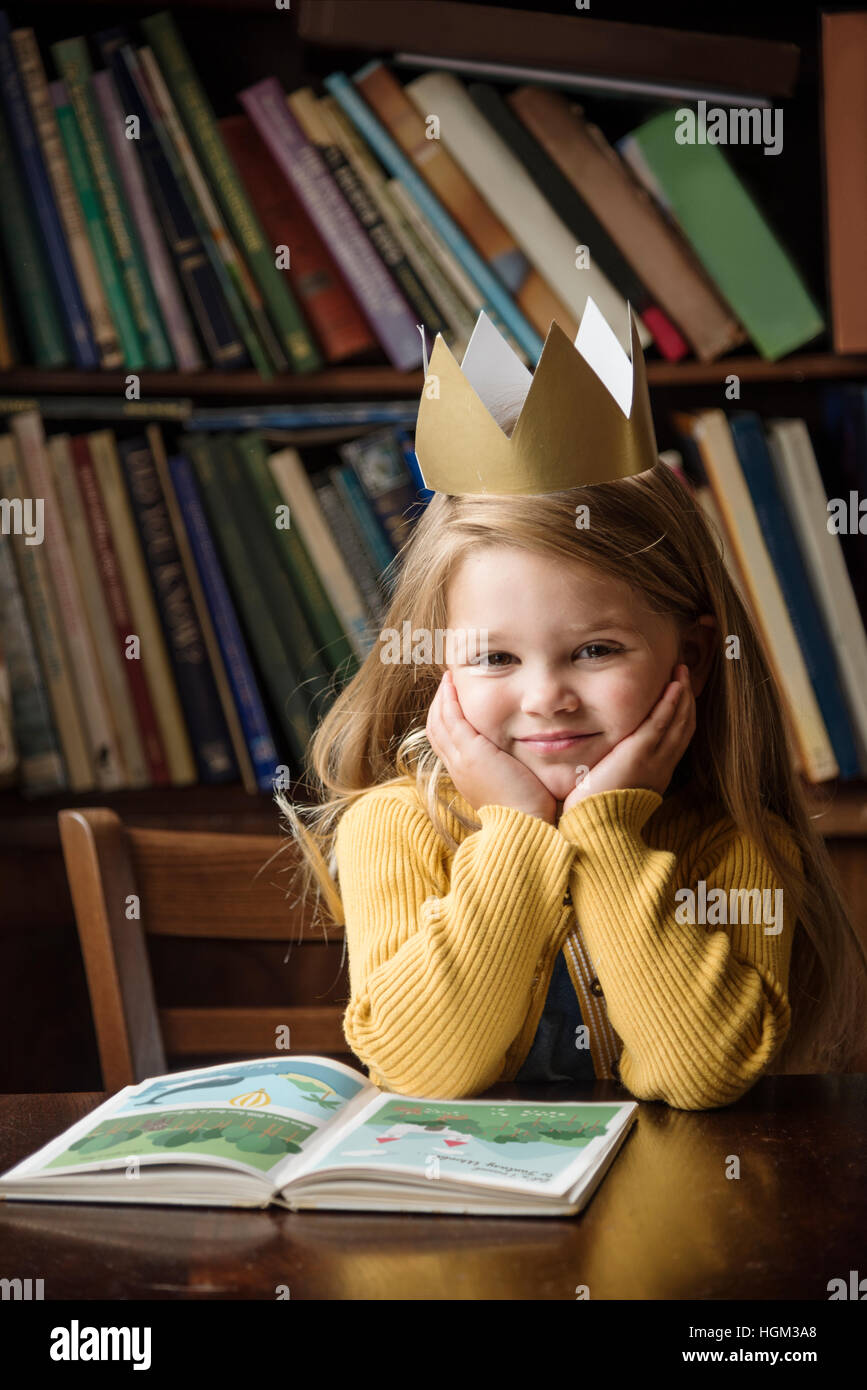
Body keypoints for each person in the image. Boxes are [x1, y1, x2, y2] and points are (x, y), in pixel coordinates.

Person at [276, 305, 867, 1110]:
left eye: (594, 650)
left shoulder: (734, 842)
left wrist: (605, 832)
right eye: (495, 658)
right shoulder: (398, 828)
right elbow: (422, 1072)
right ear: (438, 661)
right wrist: (516, 832)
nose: (546, 696)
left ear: (689, 658)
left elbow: (700, 1075)